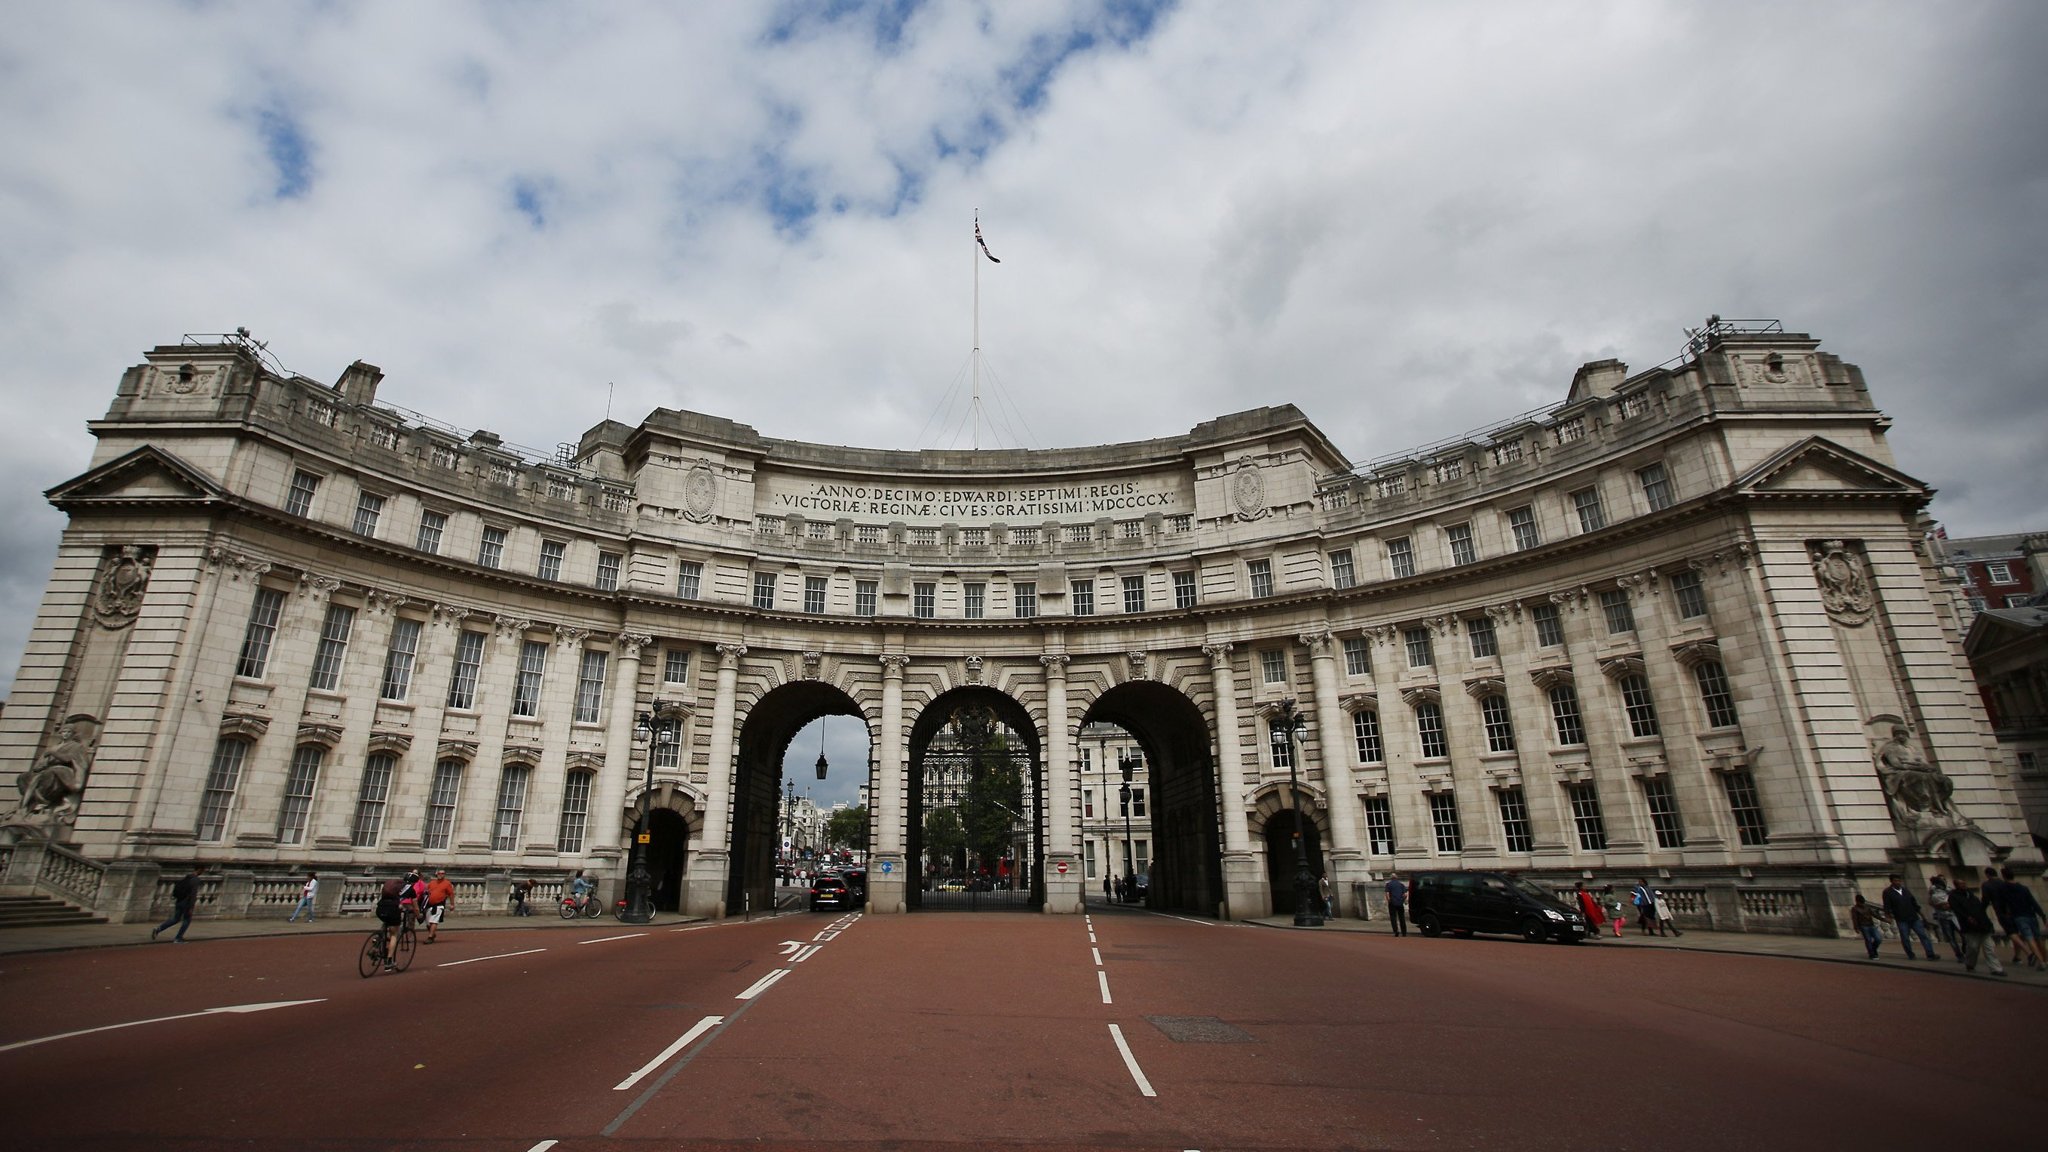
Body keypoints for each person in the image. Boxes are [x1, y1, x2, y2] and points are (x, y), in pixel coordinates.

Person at [1950, 874, 2005, 976]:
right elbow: (1957, 910)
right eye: (1961, 884)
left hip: (1983, 925)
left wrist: (1988, 923)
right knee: (1973, 947)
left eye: (1964, 883)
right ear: (1956, 885)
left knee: (1989, 948)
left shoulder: (1971, 895)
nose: (1964, 885)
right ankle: (1970, 963)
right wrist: (1967, 918)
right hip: (1969, 927)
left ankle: (1996, 969)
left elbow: (1980, 909)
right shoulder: (1954, 897)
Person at [1995, 867, 2045, 970]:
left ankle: (2041, 962)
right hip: (2031, 915)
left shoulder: (2003, 889)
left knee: (2029, 938)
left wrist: (2005, 913)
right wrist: (2042, 915)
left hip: (2019, 916)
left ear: (2003, 876)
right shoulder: (2023, 888)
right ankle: (2045, 959)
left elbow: (2001, 904)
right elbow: (2033, 902)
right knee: (2038, 938)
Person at [1880, 874, 1938, 961]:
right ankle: (1910, 954)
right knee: (1905, 938)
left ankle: (1930, 954)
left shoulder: (1905, 890)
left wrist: (1922, 915)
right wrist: (1888, 916)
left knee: (1923, 936)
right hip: (1901, 918)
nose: (1898, 882)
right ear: (1891, 881)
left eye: (1899, 880)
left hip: (1913, 917)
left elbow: (1914, 904)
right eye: (1896, 881)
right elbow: (1887, 906)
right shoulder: (1888, 892)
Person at [152, 864, 205, 943]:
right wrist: (191, 907)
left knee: (175, 919)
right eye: (202, 870)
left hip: (180, 900)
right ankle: (178, 938)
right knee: (187, 920)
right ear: (199, 870)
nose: (202, 872)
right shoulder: (195, 880)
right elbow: (193, 894)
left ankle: (159, 929)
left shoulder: (187, 877)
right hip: (187, 902)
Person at [373, 874, 406, 971]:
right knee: (394, 934)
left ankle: (378, 939)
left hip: (381, 908)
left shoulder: (390, 884)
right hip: (392, 909)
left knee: (386, 921)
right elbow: (404, 903)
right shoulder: (405, 888)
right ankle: (389, 961)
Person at [1927, 875, 1964, 961]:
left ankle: (1961, 953)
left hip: (1952, 915)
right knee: (1952, 937)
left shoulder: (1948, 890)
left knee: (1960, 935)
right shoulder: (1934, 892)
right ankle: (1959, 955)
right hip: (1945, 917)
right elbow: (1933, 903)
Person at [1849, 893, 1885, 959]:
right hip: (1863, 926)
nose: (1862, 904)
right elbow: (1855, 919)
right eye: (1861, 903)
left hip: (1871, 925)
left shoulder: (1867, 907)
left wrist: (1883, 919)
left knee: (1878, 939)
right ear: (1857, 902)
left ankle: (1873, 950)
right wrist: (1856, 928)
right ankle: (1872, 954)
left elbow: (1874, 914)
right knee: (1868, 940)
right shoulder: (1854, 909)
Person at [424, 870, 454, 943]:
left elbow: (451, 894)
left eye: (443, 873)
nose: (441, 875)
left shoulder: (447, 883)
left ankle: (430, 937)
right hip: (429, 905)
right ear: (436, 874)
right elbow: (426, 891)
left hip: (439, 905)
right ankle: (432, 933)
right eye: (439, 873)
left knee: (434, 921)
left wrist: (452, 904)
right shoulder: (432, 882)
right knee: (428, 923)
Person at [1385, 872, 1408, 937]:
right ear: (1396, 878)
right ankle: (1404, 932)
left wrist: (1389, 900)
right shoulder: (1401, 885)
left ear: (1391, 878)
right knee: (1402, 918)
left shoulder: (1388, 884)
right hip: (1400, 903)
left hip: (1392, 902)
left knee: (1393, 918)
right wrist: (1403, 900)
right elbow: (1405, 894)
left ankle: (1396, 931)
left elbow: (1387, 894)